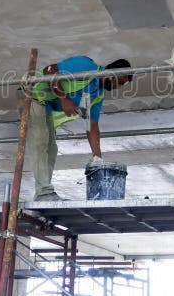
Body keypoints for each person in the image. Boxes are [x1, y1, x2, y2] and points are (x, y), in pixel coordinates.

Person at [25, 56, 132, 200]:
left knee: (51, 149)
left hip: (45, 105)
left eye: (121, 85)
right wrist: (64, 99)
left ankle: (43, 193)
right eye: (118, 82)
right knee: (39, 141)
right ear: (112, 72)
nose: (117, 87)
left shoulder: (98, 95)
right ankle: (43, 191)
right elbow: (49, 70)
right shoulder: (87, 66)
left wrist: (97, 158)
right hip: (31, 94)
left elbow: (92, 125)